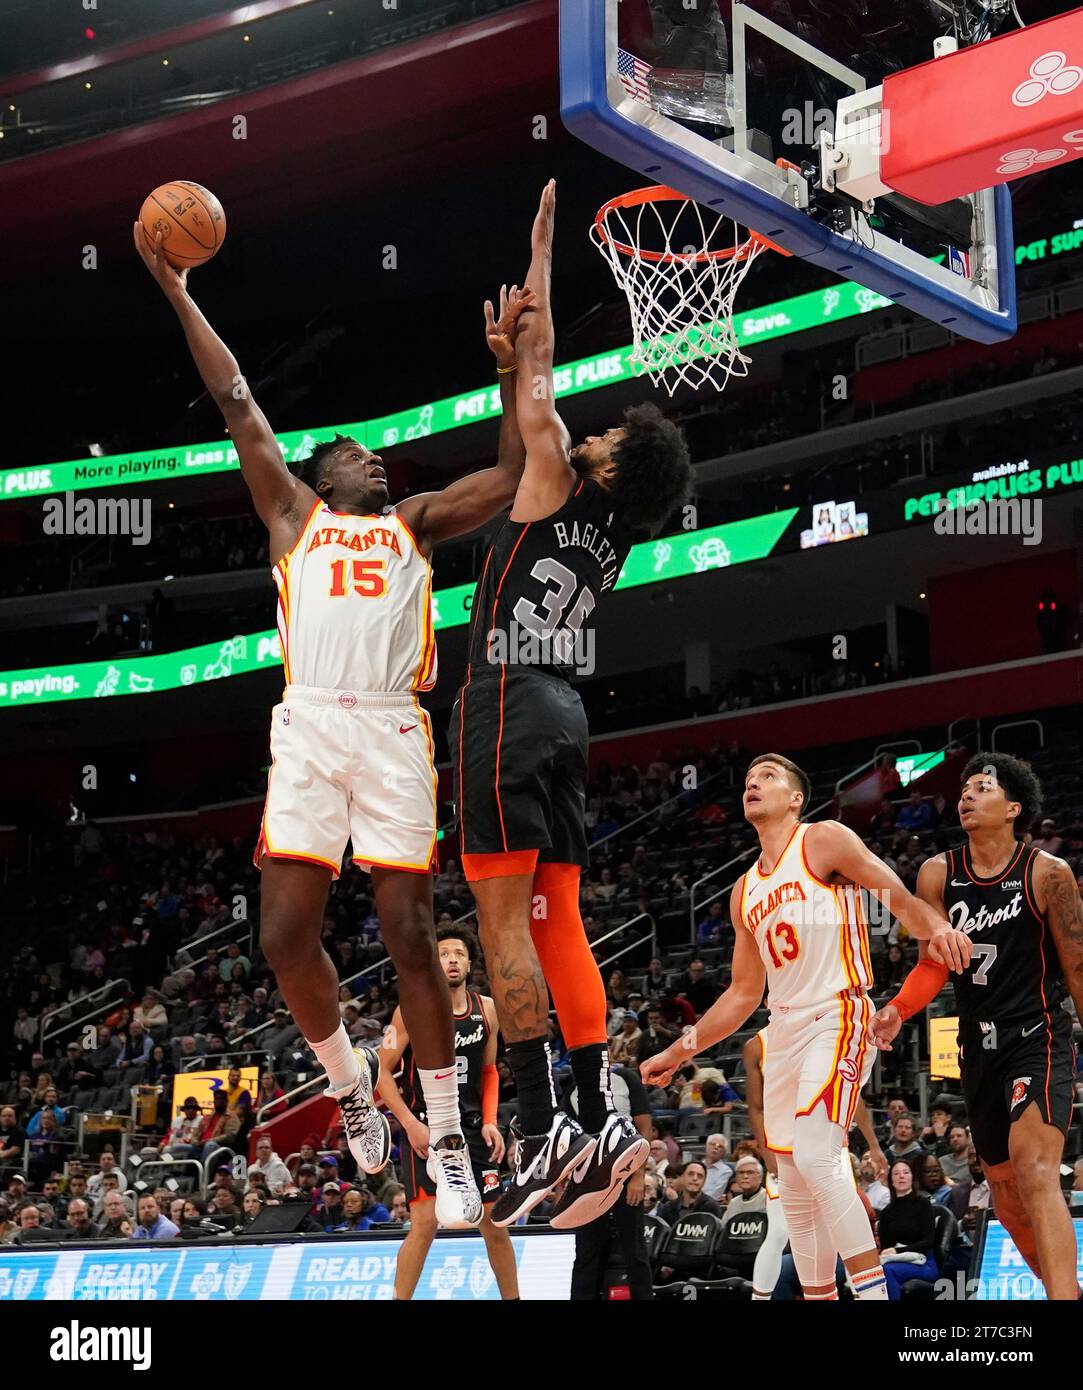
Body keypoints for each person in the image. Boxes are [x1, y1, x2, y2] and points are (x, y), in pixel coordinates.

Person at [135, 222, 537, 1234]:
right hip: (310, 725)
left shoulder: (418, 522)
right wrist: (176, 289)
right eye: (362, 454)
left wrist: (510, 369)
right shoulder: (292, 516)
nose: (381, 462)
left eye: (382, 457)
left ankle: (443, 1134)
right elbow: (237, 401)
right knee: (281, 936)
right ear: (327, 475)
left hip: (393, 729)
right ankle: (352, 1082)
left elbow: (516, 470)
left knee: (408, 930)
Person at [451, 182, 693, 1229]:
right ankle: (600, 1110)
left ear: (608, 460)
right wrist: (509, 367)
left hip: (505, 700)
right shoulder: (619, 531)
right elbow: (530, 388)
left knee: (503, 922)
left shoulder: (556, 470)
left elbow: (543, 378)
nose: (588, 430)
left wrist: (542, 254)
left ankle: (546, 1118)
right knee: (560, 925)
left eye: (605, 433)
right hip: (567, 716)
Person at [642, 753, 968, 1302]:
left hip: (838, 1012)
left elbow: (898, 896)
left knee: (819, 1155)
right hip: (785, 1028)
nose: (754, 783)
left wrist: (935, 931)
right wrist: (679, 1049)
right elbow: (744, 994)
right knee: (794, 1183)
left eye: (768, 777)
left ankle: (870, 1295)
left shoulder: (823, 840)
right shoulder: (744, 889)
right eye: (749, 778)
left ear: (795, 797)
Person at [871, 753, 1083, 1300]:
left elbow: (1078, 968)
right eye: (965, 788)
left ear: (1013, 808)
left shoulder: (1048, 874)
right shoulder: (938, 872)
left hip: (1039, 1036)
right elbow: (930, 964)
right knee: (1007, 1200)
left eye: (981, 787)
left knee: (1037, 1171)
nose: (966, 794)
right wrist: (898, 1007)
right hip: (976, 1048)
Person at [376, 926, 518, 1300]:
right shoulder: (410, 1010)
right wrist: (408, 1125)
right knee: (424, 1224)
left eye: (458, 953)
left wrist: (491, 1120)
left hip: (471, 1128)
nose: (452, 959)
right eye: (443, 954)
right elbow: (380, 1073)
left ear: (470, 963)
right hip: (426, 1128)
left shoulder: (487, 1009)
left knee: (495, 1224)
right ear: (433, 963)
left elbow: (489, 1071)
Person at [564, 1062, 654, 1300]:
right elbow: (568, 1139)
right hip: (588, 1178)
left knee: (634, 1249)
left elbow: (644, 1128)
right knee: (586, 1252)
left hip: (625, 1171)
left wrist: (638, 1175)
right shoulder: (573, 1088)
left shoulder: (625, 1078)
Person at [877, 1158, 939, 1299]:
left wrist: (899, 1250)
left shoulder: (923, 1204)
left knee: (887, 1271)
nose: (902, 1176)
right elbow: (886, 1246)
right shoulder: (886, 1212)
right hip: (895, 1260)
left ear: (912, 1177)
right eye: (896, 1173)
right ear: (891, 1181)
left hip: (923, 1262)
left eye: (906, 1172)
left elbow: (928, 1241)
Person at [657, 1161, 720, 1225]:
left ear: (704, 1182)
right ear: (682, 1177)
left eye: (700, 1176)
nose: (695, 1178)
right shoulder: (667, 1208)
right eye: (690, 1174)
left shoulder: (711, 1207)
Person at [702, 1133, 734, 1201]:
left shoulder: (726, 1171)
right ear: (706, 1146)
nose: (715, 1147)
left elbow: (714, 1195)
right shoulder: (696, 1166)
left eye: (720, 1146)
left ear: (724, 1152)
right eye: (712, 1144)